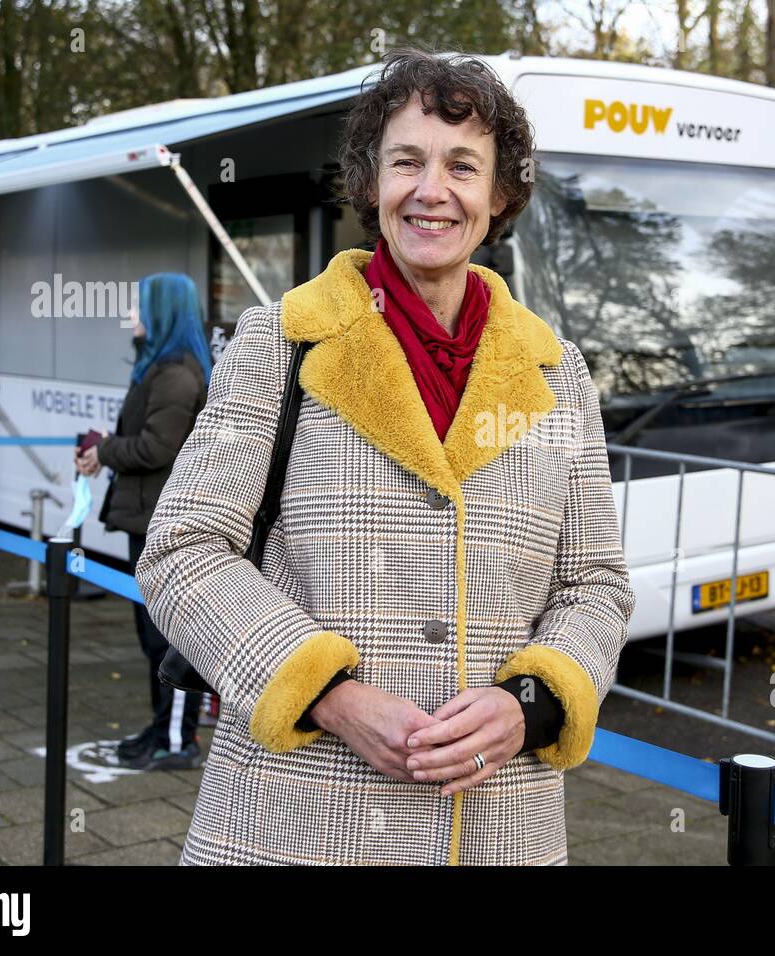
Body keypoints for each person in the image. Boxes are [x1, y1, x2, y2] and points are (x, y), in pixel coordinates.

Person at [135, 47, 635, 865]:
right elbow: (183, 553)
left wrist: (532, 701)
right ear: (371, 183)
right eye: (407, 161)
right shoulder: (280, 345)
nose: (431, 190)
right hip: (298, 819)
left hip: (499, 824)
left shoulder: (558, 373)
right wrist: (327, 693)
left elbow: (595, 585)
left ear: (499, 195)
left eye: (463, 166)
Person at [76, 273, 212, 770]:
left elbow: (157, 447)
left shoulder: (176, 373)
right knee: (151, 638)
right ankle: (161, 729)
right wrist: (105, 450)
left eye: (138, 307)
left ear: (162, 312)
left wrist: (103, 450)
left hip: (164, 523)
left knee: (168, 640)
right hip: (146, 518)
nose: (130, 316)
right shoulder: (159, 367)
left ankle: (177, 740)